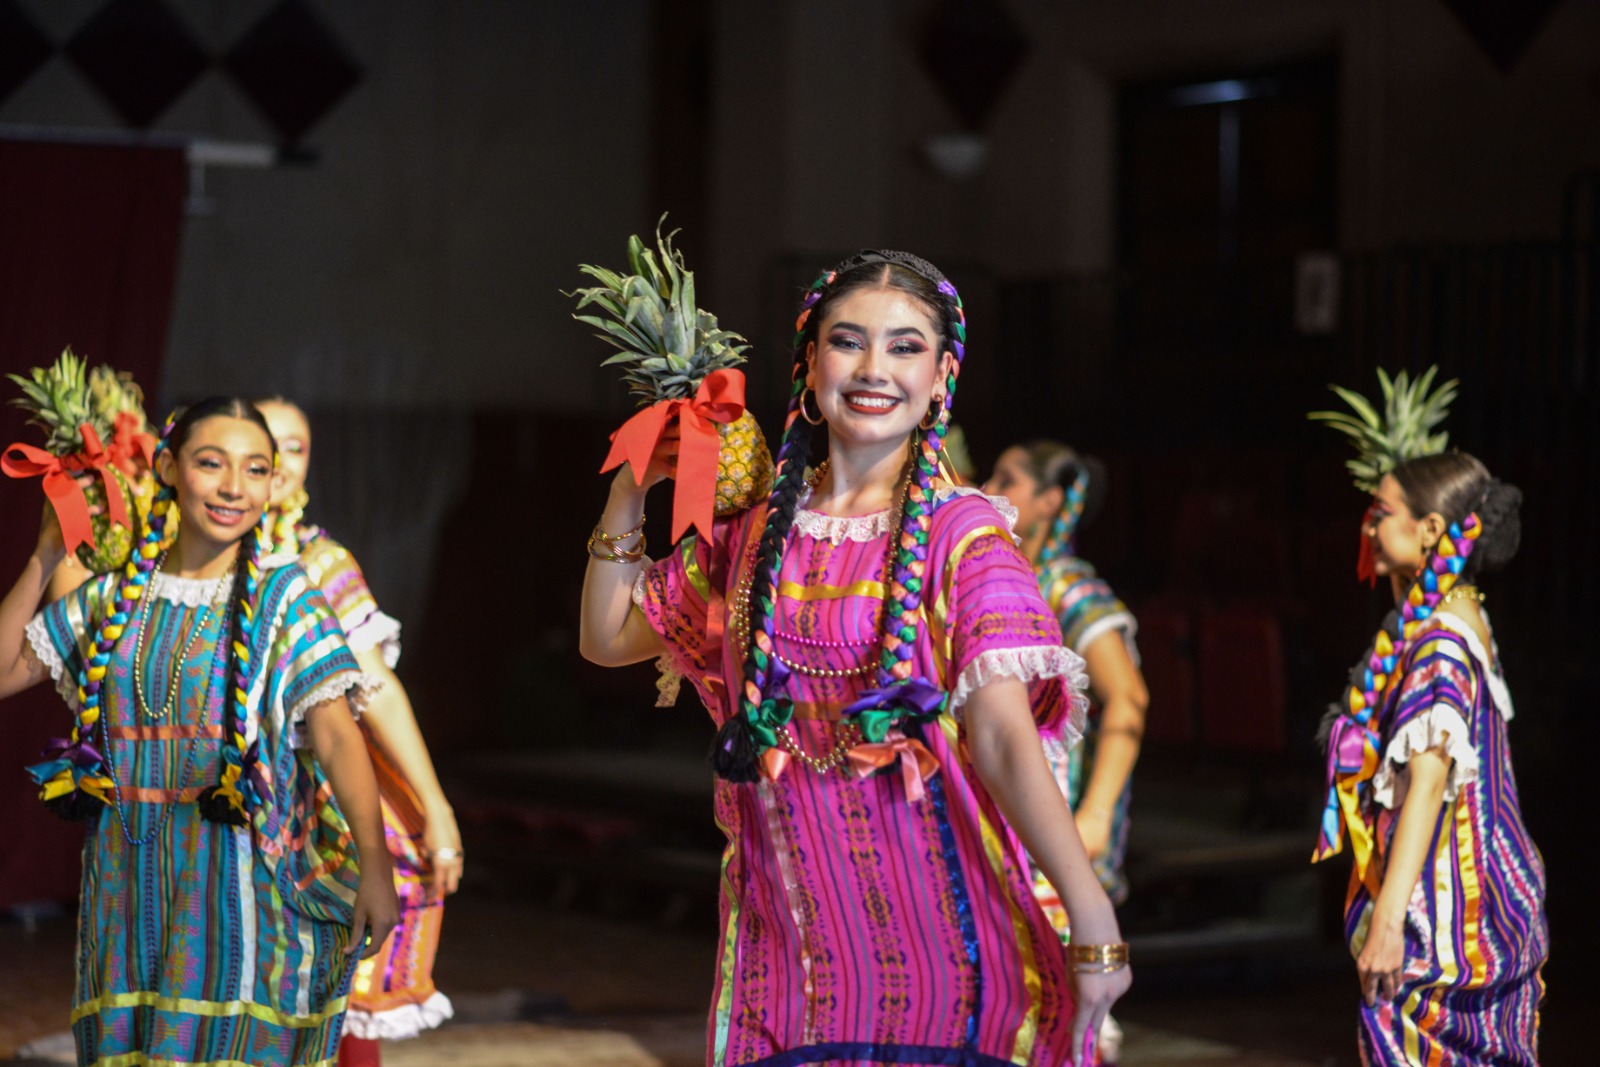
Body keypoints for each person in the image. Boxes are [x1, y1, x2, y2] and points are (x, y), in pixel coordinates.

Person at [580, 250, 1130, 1067]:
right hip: (787, 958)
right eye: (849, 341)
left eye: (906, 347)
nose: (876, 368)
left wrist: (1094, 920)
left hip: (950, 963)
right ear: (809, 363)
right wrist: (629, 489)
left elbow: (1008, 741)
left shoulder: (965, 537)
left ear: (944, 375)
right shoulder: (751, 533)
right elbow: (606, 636)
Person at [0, 397, 399, 1066]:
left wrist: (375, 862)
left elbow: (335, 734)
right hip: (128, 894)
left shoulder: (286, 595)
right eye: (211, 463)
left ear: (274, 484)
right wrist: (46, 550)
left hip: (243, 895)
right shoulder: (118, 595)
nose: (232, 487)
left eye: (254, 469)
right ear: (167, 467)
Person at [1315, 451, 1547, 1064]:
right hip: (1487, 892)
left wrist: (1388, 924)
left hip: (1444, 918)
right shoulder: (1462, 612)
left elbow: (1428, 782)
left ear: (1431, 530)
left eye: (1381, 512)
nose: (1368, 526)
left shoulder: (1438, 644)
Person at [255, 397, 461, 1067]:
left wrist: (435, 806)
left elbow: (376, 688)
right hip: (213, 799)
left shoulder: (321, 562)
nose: (279, 461)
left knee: (332, 997)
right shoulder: (183, 556)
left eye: (296, 447)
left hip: (307, 810)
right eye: (266, 442)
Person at [983, 443, 1147, 1064]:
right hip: (1008, 820)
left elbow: (1128, 698)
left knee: (1062, 1015)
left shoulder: (1068, 586)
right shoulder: (1002, 575)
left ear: (1050, 501)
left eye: (1009, 480)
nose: (993, 486)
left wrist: (1098, 813)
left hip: (1057, 818)